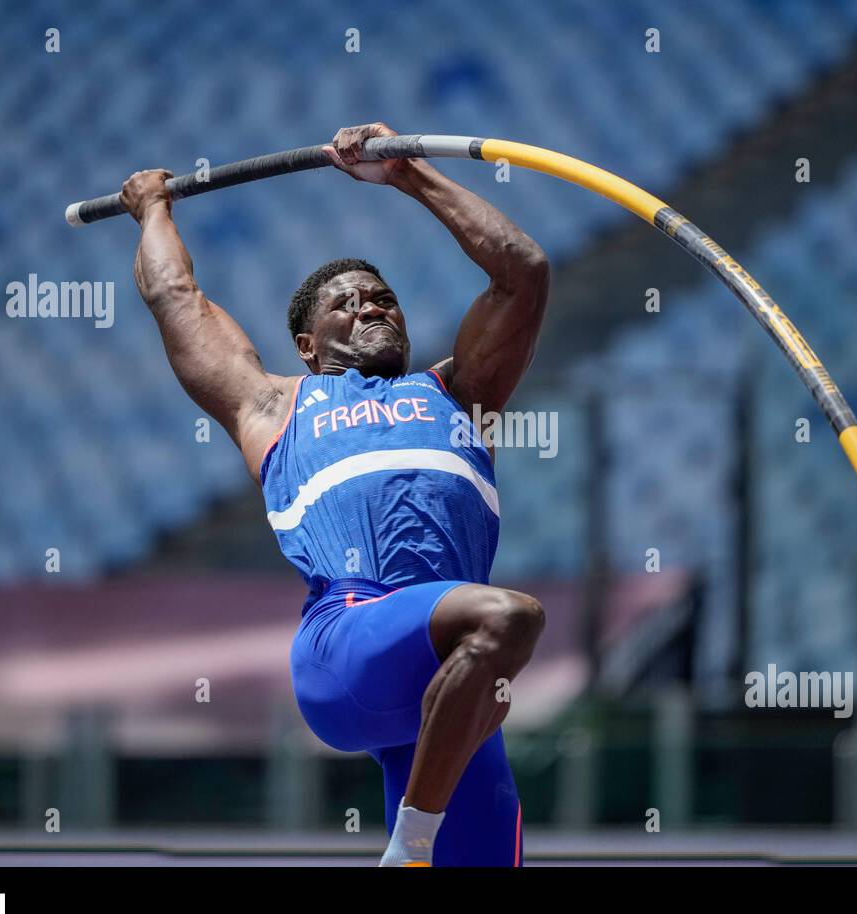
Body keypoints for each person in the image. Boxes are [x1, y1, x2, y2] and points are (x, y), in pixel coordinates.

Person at [121, 122, 550, 866]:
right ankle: (409, 845)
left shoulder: (462, 394)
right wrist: (153, 206)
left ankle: (418, 835)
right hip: (346, 646)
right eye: (346, 305)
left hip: (449, 692)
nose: (372, 309)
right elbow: (175, 296)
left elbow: (524, 274)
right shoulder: (273, 408)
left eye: (383, 300)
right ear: (307, 347)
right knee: (509, 616)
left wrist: (407, 173)